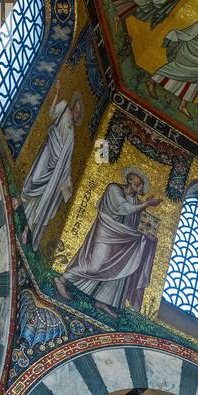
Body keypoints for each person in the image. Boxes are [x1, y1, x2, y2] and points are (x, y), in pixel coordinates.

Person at [54, 169, 160, 315]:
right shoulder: (114, 189)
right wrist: (146, 204)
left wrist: (148, 236)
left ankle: (103, 301)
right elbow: (122, 208)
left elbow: (138, 222)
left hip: (123, 238)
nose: (141, 187)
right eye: (139, 183)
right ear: (130, 179)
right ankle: (62, 279)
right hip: (106, 231)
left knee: (120, 268)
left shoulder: (136, 201)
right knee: (94, 265)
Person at [19, 90, 84, 249]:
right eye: (76, 108)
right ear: (73, 104)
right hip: (49, 153)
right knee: (34, 180)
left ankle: (29, 224)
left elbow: (67, 160)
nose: (77, 112)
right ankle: (20, 204)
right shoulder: (63, 107)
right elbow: (51, 113)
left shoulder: (73, 135)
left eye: (79, 112)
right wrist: (56, 93)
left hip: (56, 170)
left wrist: (67, 180)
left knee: (45, 197)